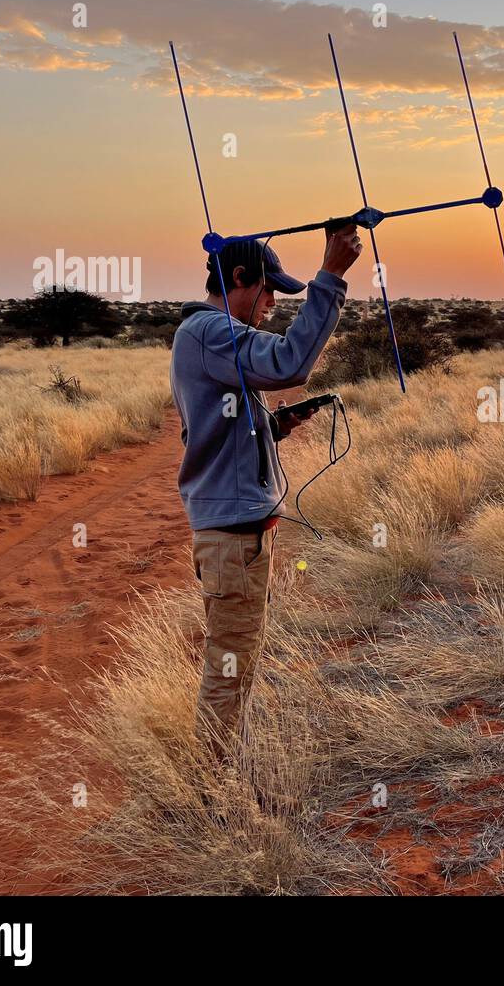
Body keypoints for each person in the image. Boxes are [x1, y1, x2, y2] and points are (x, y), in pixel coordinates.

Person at [170, 224, 362, 758]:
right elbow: (288, 363)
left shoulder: (206, 337)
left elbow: (213, 429)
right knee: (230, 669)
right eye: (269, 289)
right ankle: (212, 798)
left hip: (241, 537)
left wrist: (273, 427)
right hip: (233, 540)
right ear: (238, 277)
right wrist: (331, 275)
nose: (274, 303)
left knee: (238, 662)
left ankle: (222, 777)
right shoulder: (210, 331)